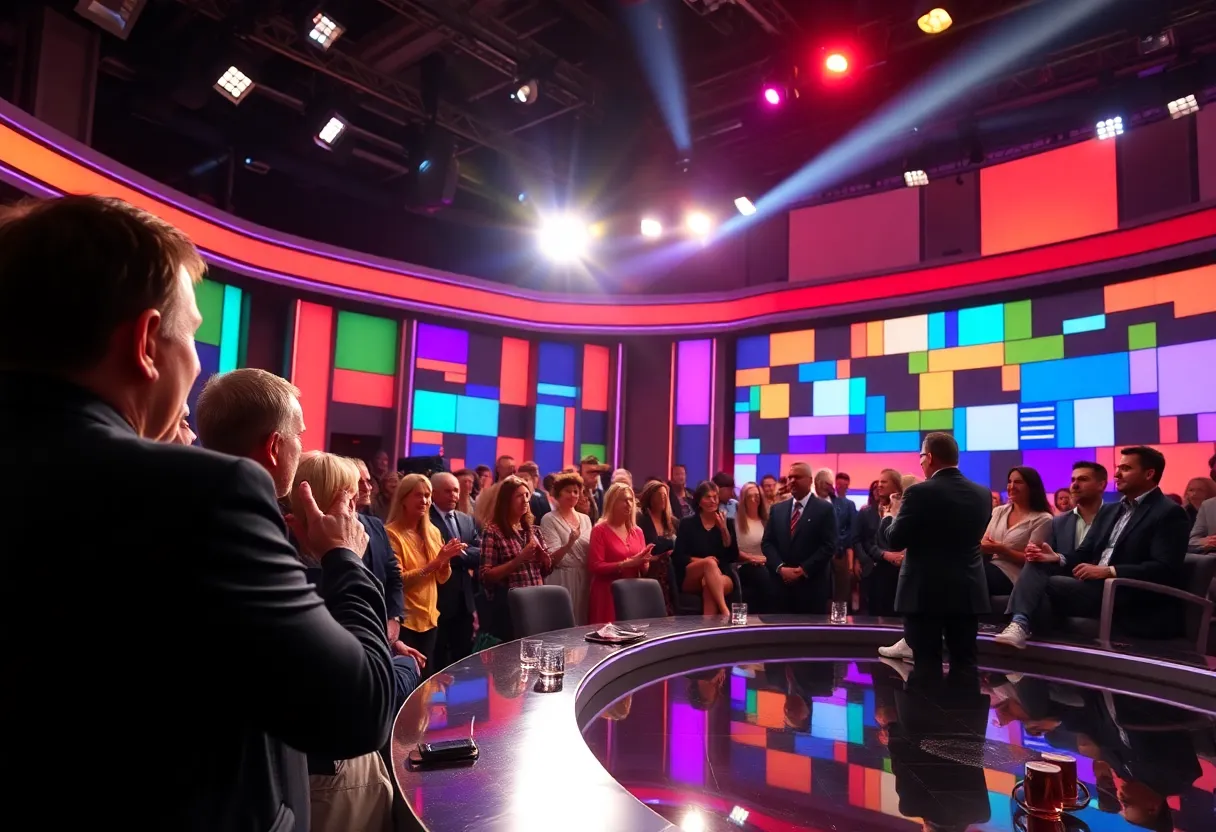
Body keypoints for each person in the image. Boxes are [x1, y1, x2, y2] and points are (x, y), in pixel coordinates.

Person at [0, 195, 393, 829]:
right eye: (192, 338)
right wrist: (346, 556)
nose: (197, 368)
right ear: (148, 342)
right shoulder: (202, 496)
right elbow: (357, 710)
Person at [996, 446, 1191, 648]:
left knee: (1043, 588)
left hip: (1127, 592)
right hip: (1095, 587)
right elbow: (1084, 553)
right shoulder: (1111, 510)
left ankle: (1027, 635)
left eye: (1125, 468)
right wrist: (1056, 558)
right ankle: (1024, 629)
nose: (1116, 474)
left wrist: (1109, 571)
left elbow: (1165, 568)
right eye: (1118, 467)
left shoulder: (1168, 513)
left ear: (1149, 474)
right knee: (1037, 564)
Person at [877, 433, 991, 685]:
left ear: (929, 457)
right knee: (965, 661)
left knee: (926, 663)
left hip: (925, 593)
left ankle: (926, 721)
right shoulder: (982, 494)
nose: (920, 463)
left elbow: (894, 540)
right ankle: (965, 722)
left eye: (920, 457)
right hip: (968, 590)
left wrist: (890, 515)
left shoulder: (918, 493)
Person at [384, 474, 467, 674]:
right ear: (403, 499)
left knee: (428, 679)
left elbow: (441, 578)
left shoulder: (433, 532)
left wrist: (445, 560)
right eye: (418, 495)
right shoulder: (391, 533)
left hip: (430, 619)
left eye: (427, 495)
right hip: (405, 621)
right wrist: (437, 562)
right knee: (408, 679)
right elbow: (399, 581)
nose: (424, 501)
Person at [761, 462, 837, 614]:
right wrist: (781, 568)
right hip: (780, 586)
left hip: (811, 586)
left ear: (810, 480)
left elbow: (829, 545)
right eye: (790, 477)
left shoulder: (825, 509)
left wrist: (802, 570)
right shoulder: (777, 509)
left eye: (797, 477)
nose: (792, 481)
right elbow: (767, 543)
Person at [429, 471, 482, 670]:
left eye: (456, 491)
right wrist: (462, 553)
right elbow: (435, 554)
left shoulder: (466, 519)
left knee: (463, 657)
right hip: (439, 598)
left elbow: (481, 553)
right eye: (448, 491)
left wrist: (458, 554)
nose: (453, 495)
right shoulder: (426, 520)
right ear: (434, 494)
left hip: (465, 599)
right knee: (440, 656)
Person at [587, 482, 655, 623]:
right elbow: (595, 566)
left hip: (632, 591)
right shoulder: (600, 530)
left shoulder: (638, 532)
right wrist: (626, 564)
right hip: (607, 593)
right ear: (612, 502)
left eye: (630, 499)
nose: (629, 504)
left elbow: (643, 569)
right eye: (624, 500)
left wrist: (645, 562)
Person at [981, 466, 1053, 597]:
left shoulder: (1043, 519)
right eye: (1010, 481)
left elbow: (1033, 560)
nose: (1011, 486)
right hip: (990, 565)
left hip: (1014, 575)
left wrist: (1002, 550)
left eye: (1018, 482)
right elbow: (985, 541)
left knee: (971, 577)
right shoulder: (999, 511)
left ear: (1032, 487)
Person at [673, 481, 738, 615]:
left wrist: (724, 530)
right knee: (709, 563)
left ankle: (709, 629)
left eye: (715, 497)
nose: (712, 501)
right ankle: (725, 611)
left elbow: (733, 555)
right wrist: (704, 562)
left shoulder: (728, 523)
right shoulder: (687, 523)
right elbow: (678, 557)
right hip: (692, 576)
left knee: (709, 584)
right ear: (699, 500)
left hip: (722, 574)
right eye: (708, 497)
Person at [540, 472, 593, 624]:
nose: (573, 495)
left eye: (576, 491)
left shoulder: (586, 519)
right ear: (558, 493)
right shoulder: (549, 519)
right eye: (568, 491)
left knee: (582, 624)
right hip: (561, 579)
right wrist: (569, 543)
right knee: (562, 625)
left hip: (584, 579)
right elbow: (552, 560)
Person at [734, 482, 776, 611]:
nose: (754, 499)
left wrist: (766, 560)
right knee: (761, 574)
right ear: (744, 499)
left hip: (766, 562)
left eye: (757, 495)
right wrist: (753, 559)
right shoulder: (736, 521)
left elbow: (774, 546)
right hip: (744, 564)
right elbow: (733, 550)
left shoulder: (767, 520)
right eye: (750, 496)